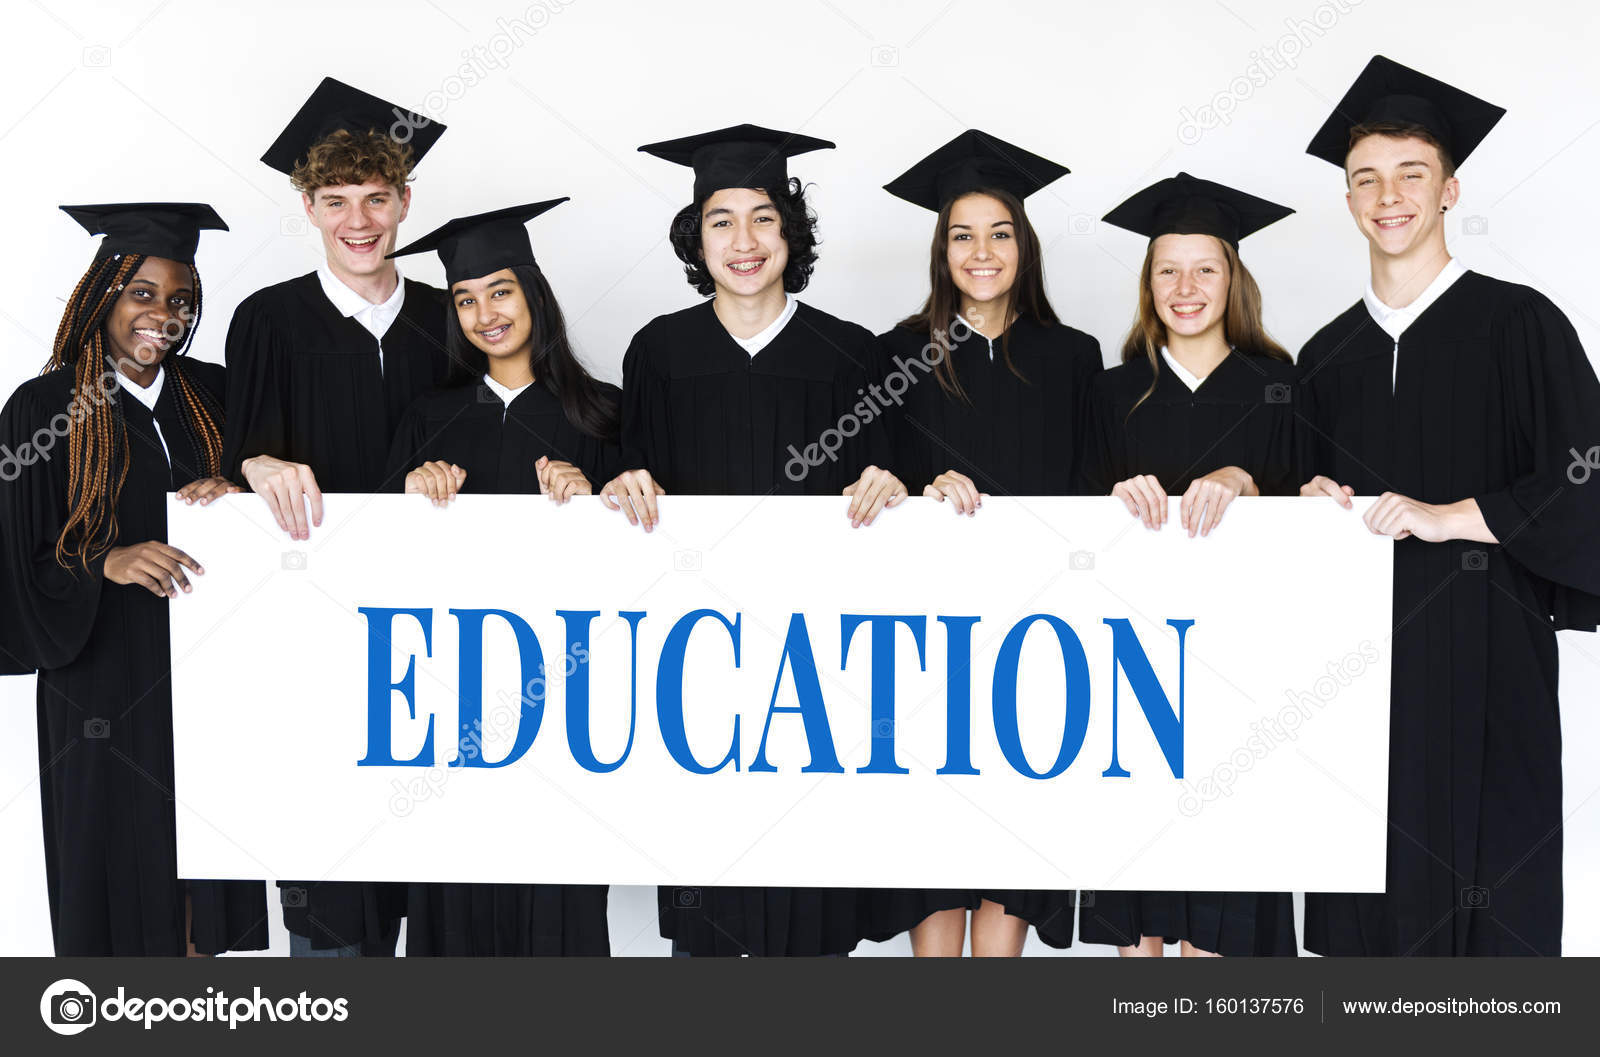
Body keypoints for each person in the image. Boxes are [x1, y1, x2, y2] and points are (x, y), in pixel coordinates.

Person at [1297, 56, 1600, 956]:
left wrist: (1455, 513)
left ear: (1450, 188)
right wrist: (1308, 504)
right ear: (1348, 200)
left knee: (1491, 903)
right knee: (1367, 905)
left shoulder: (1519, 323)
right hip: (1355, 673)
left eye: (1411, 174)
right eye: (1367, 179)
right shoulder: (1325, 355)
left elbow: (1590, 469)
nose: (1388, 196)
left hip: (1489, 653)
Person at [603, 123, 906, 956]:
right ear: (696, 237)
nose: (744, 241)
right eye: (721, 220)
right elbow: (638, 481)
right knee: (707, 922)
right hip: (697, 667)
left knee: (808, 922)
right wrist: (623, 484)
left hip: (820, 669)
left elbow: (887, 490)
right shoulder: (659, 351)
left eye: (765, 218)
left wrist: (891, 485)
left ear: (792, 233)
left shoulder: (851, 351)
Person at [221, 76, 452, 957]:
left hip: (439, 627)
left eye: (377, 197)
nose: (359, 220)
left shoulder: (450, 319)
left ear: (405, 199)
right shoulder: (268, 321)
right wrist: (253, 457)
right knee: (332, 861)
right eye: (336, 200)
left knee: (433, 857)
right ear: (306, 204)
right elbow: (236, 459)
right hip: (312, 628)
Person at [0, 203, 267, 955]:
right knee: (116, 861)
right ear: (102, 295)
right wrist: (104, 561)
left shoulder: (216, 397)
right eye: (143, 293)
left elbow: (281, 501)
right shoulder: (43, 409)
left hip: (213, 667)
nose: (164, 314)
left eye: (181, 299)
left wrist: (240, 487)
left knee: (207, 872)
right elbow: (13, 560)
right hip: (104, 680)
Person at [864, 129, 1102, 956]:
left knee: (1006, 898)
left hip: (1036, 644)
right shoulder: (895, 354)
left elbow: (1088, 495)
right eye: (962, 234)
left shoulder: (1074, 359)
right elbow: (874, 487)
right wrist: (913, 493)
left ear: (1024, 244)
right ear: (941, 249)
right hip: (926, 647)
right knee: (938, 893)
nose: (982, 250)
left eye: (1000, 232)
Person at [383, 199, 619, 955]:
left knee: (559, 906)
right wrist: (407, 495)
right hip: (450, 708)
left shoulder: (602, 416)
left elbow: (648, 570)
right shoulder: (430, 416)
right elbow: (374, 570)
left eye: (501, 291)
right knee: (455, 899)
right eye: (464, 299)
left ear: (534, 295)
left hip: (569, 709)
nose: (485, 312)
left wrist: (599, 504)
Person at [1076, 173, 1301, 957]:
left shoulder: (1284, 390)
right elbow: (1064, 537)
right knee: (1141, 934)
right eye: (1167, 269)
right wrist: (1110, 496)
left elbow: (1321, 518)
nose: (1186, 287)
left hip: (1243, 684)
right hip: (1132, 688)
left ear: (1234, 276)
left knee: (1221, 924)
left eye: (1205, 267)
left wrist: (1251, 480)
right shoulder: (1108, 396)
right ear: (1147, 282)